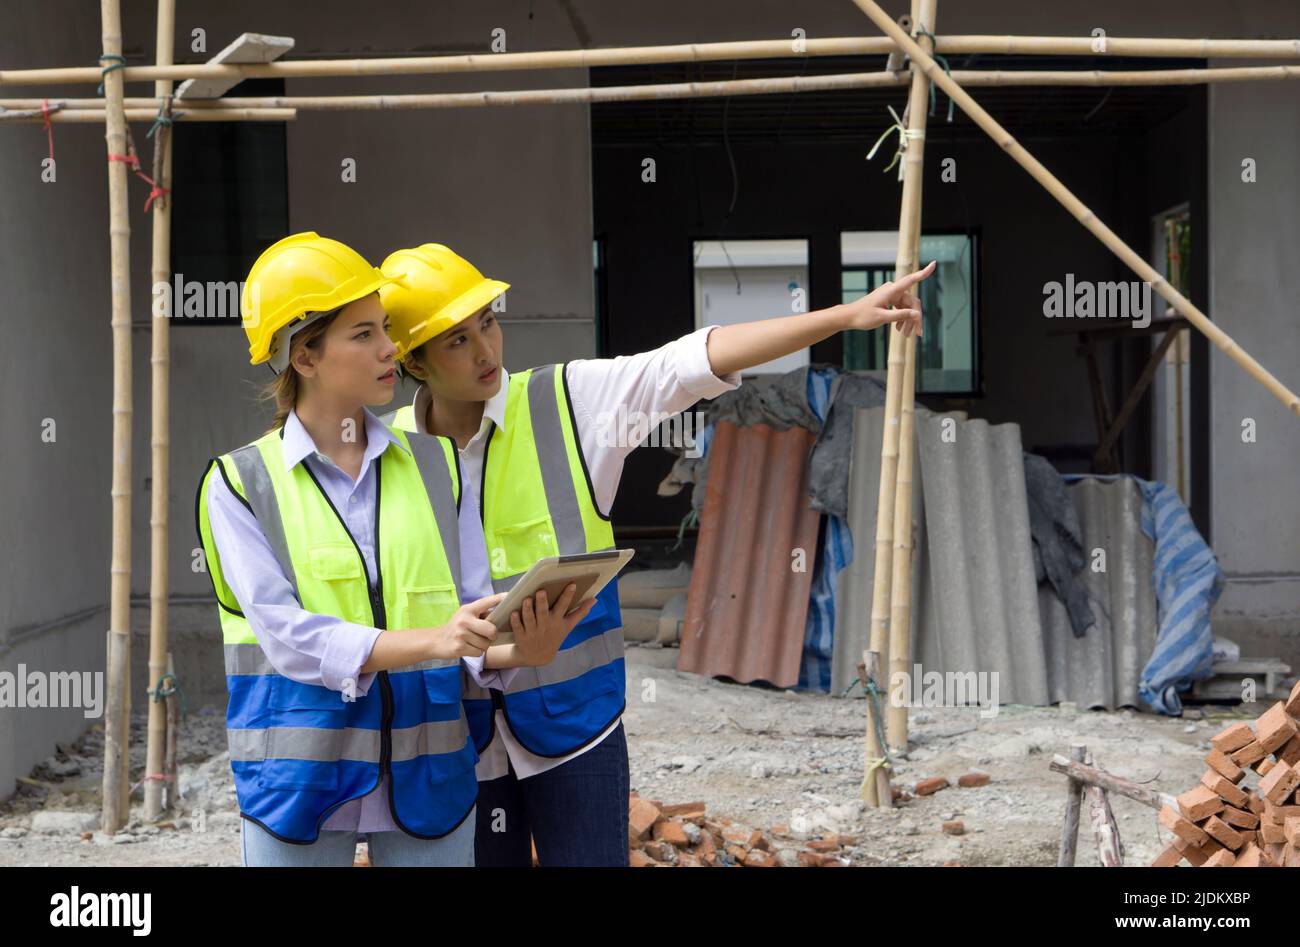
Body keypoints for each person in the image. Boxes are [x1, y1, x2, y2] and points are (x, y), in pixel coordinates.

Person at [378, 242, 934, 866]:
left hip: (577, 735)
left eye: (487, 323)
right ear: (414, 364)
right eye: (455, 340)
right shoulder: (384, 457)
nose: (485, 351)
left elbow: (689, 361)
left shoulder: (569, 403)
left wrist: (841, 316)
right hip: (458, 739)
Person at [196, 232, 594, 866]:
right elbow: (287, 636)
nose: (391, 348)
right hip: (299, 780)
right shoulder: (240, 484)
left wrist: (522, 652)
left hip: (427, 768)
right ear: (305, 358)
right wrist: (437, 640)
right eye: (363, 335)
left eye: (386, 329)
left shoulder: (437, 466)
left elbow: (469, 617)